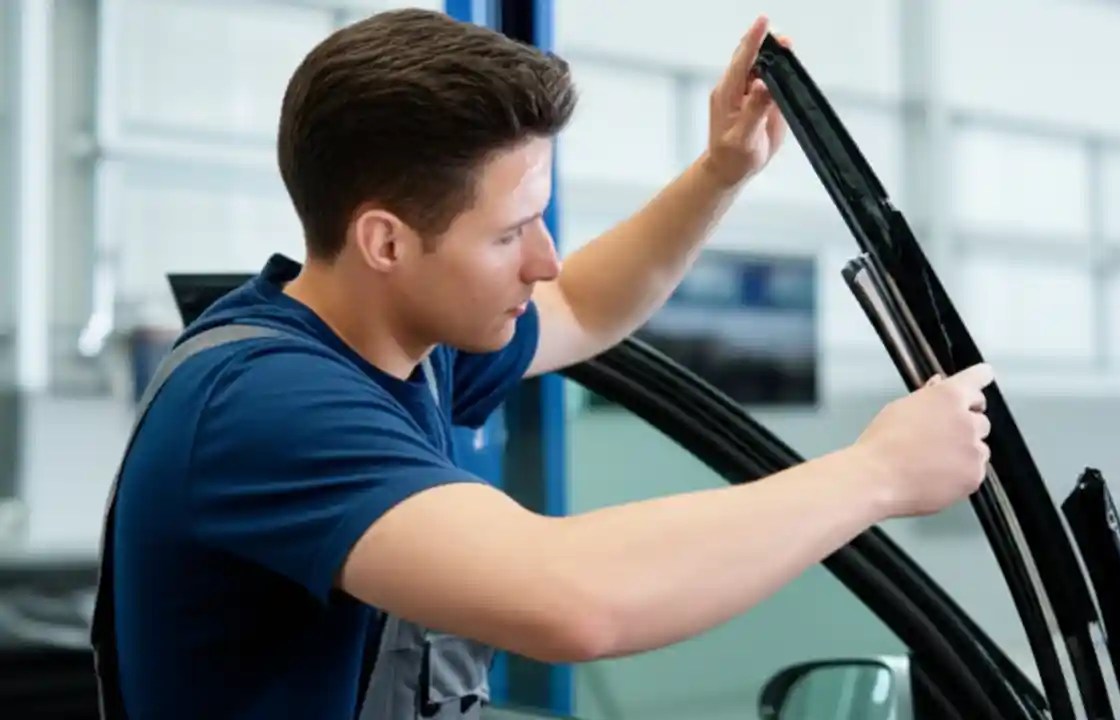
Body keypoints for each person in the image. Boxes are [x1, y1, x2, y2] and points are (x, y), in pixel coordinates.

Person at [104, 8, 994, 720]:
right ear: (385, 241)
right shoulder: (267, 405)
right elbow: (573, 599)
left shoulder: (406, 348)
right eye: (508, 232)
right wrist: (874, 476)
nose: (545, 259)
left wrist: (721, 171)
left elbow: (584, 306)